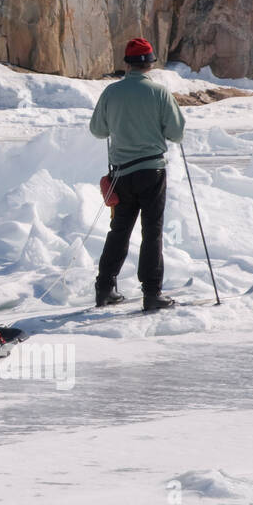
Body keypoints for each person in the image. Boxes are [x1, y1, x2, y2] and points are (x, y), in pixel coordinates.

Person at [89, 37, 186, 310]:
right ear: (150, 63)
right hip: (152, 171)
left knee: (119, 230)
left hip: (121, 174)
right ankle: (152, 293)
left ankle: (105, 288)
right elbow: (176, 134)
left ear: (127, 64)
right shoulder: (159, 92)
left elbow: (98, 131)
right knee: (151, 231)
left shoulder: (111, 92)